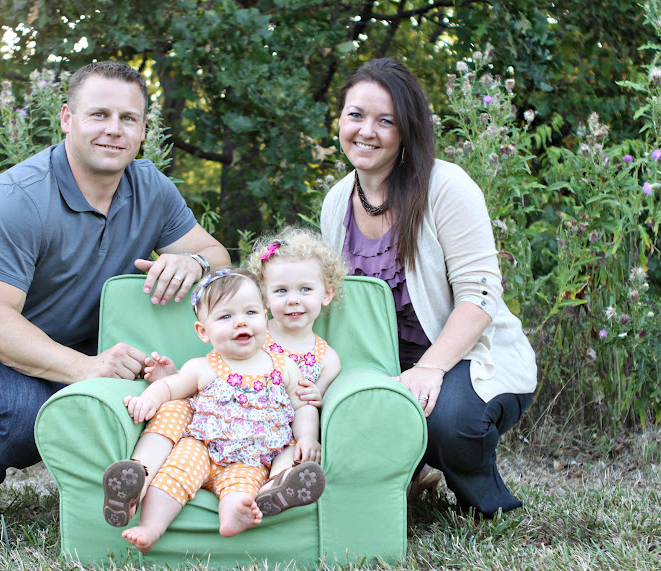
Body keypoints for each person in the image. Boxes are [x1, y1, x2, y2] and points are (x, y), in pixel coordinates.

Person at [0, 61, 230, 527]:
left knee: (175, 388)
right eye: (99, 115)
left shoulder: (150, 187)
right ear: (67, 118)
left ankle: (155, 493)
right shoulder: (17, 196)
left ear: (142, 130)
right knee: (21, 414)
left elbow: (217, 256)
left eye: (128, 119)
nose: (114, 130)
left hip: (93, 344)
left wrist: (192, 262)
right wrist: (88, 370)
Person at [320, 58, 536, 518]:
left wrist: (430, 369)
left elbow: (480, 297)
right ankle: (408, 472)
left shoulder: (445, 187)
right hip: (382, 361)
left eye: (386, 121)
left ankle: (483, 500)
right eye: (355, 115)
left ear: (407, 130)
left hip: (467, 356)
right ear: (340, 118)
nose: (366, 131)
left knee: (448, 420)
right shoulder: (337, 201)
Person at [107, 268, 323, 552]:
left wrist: (308, 437)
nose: (240, 323)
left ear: (266, 319)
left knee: (241, 493)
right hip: (201, 447)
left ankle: (235, 516)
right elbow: (170, 389)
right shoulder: (202, 367)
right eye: (225, 316)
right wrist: (149, 397)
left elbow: (302, 406)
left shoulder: (284, 366)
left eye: (250, 313)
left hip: (251, 459)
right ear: (203, 331)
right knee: (172, 478)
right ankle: (150, 527)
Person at [244, 226, 345, 516]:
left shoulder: (327, 359)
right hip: (243, 420)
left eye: (305, 289)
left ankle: (275, 490)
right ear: (264, 297)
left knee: (291, 453)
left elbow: (314, 404)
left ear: (327, 294)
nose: (293, 300)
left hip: (284, 436)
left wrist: (309, 437)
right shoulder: (256, 334)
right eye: (281, 291)